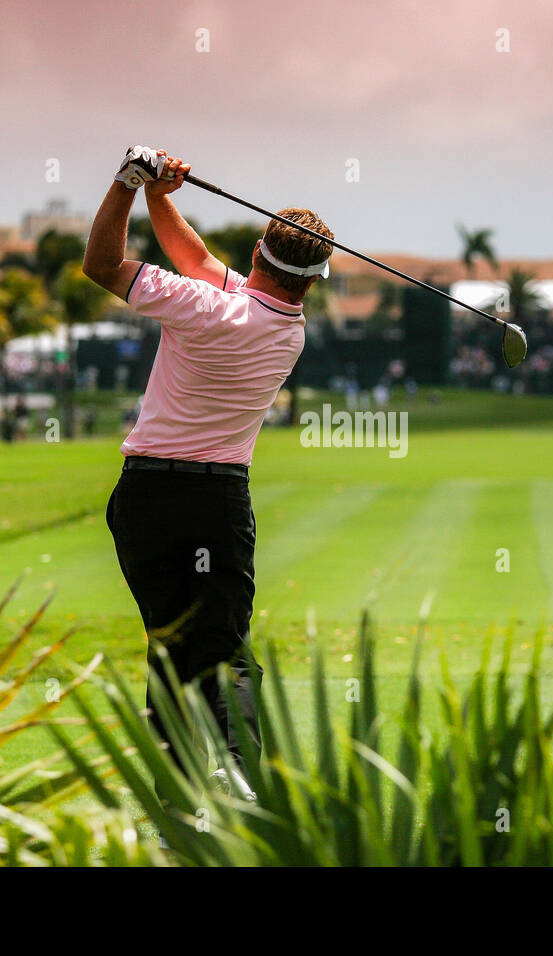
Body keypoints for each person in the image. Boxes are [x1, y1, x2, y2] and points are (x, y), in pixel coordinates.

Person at [85, 146, 332, 798]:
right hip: (216, 504)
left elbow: (101, 265)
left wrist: (126, 185)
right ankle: (246, 789)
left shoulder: (201, 305)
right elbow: (195, 261)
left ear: (256, 254)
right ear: (313, 280)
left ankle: (183, 798)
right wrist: (159, 195)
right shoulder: (288, 329)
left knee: (170, 645)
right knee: (221, 651)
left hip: (144, 500)